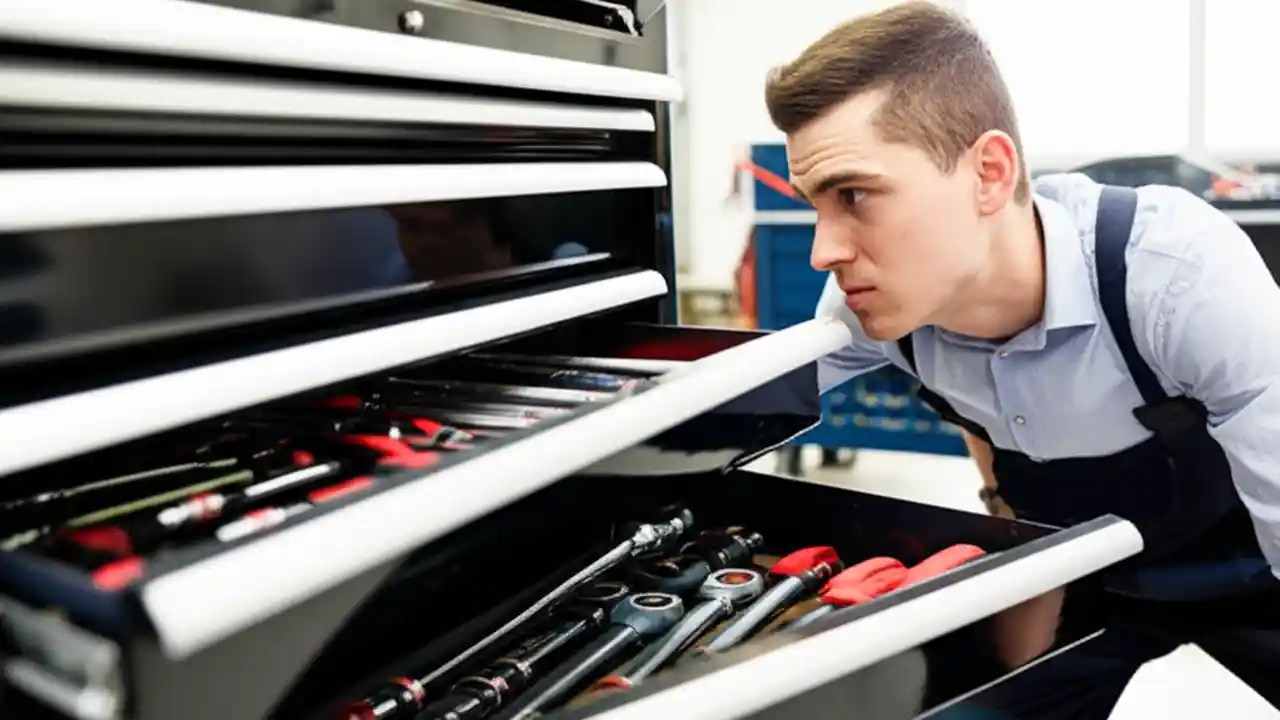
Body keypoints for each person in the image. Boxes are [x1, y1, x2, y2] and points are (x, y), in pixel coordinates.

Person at [762, 2, 1280, 717]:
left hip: (1253, 570)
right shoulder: (866, 305)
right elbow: (726, 408)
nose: (825, 249)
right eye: (817, 203)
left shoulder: (1175, 277)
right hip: (1083, 580)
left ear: (989, 173)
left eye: (855, 194)